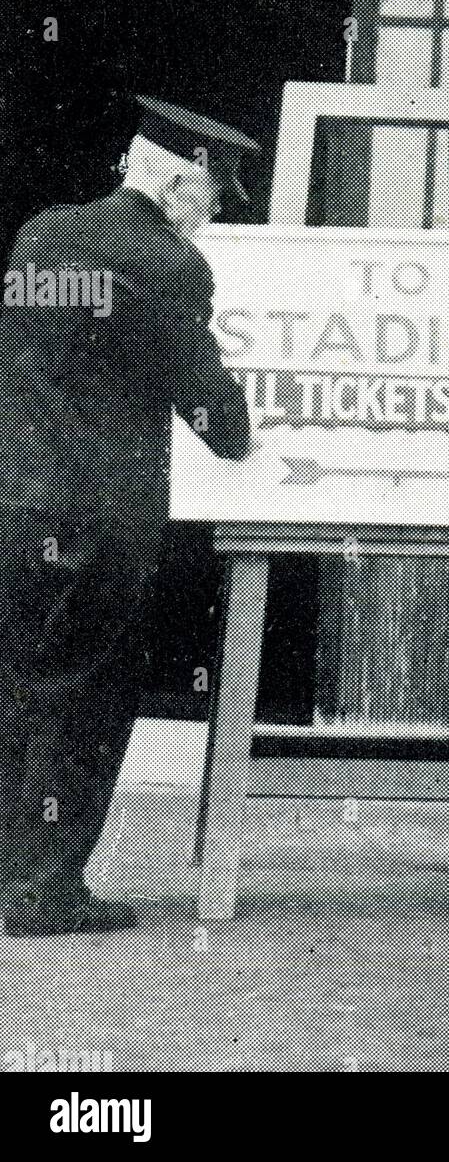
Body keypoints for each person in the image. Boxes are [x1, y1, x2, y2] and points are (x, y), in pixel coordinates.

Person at [0, 96, 256, 937]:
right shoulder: (169, 264)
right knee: (85, 698)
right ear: (184, 182)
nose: (213, 214)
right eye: (215, 196)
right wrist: (242, 427)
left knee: (16, 686)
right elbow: (215, 417)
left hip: (13, 502)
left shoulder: (43, 233)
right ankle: (45, 891)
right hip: (98, 519)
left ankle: (11, 872)